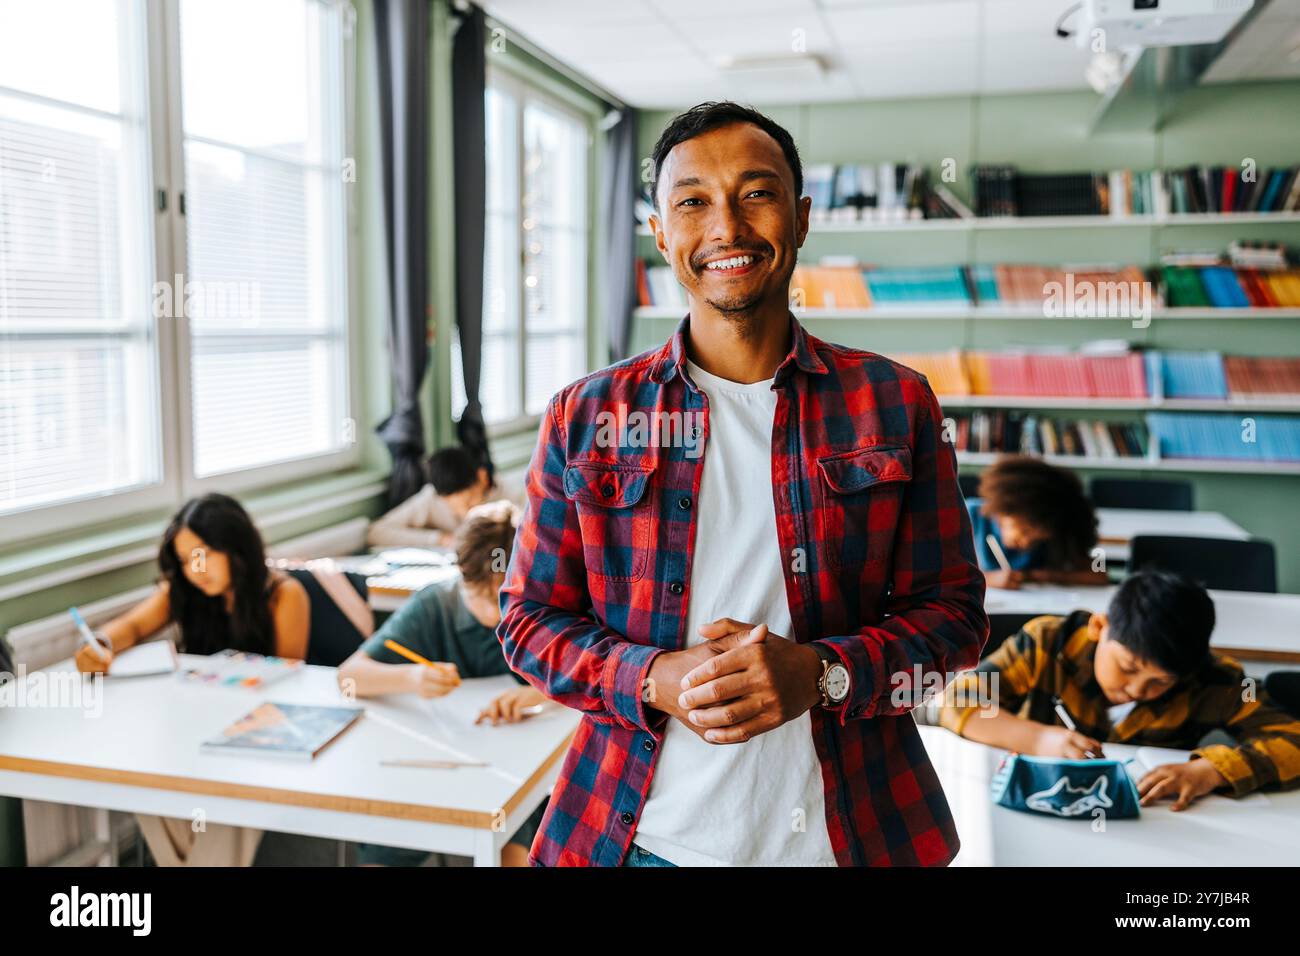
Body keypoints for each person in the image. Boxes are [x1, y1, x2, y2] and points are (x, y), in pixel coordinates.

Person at [497, 102, 988, 867]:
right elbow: (528, 622)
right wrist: (654, 676)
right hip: (638, 841)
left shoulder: (894, 402)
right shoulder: (587, 415)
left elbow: (954, 620)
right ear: (662, 233)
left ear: (800, 217)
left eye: (756, 193)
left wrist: (822, 675)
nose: (726, 226)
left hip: (849, 839)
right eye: (693, 201)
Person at [75, 493, 310, 866]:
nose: (195, 570)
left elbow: (288, 679)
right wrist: (101, 644)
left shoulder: (284, 596)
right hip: (191, 731)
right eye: (185, 561)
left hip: (252, 740)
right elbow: (134, 626)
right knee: (148, 783)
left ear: (236, 548)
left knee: (225, 803)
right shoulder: (184, 592)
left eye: (203, 555)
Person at [939, 570, 1300, 808]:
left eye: (1161, 682)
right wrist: (1039, 740)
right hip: (1037, 802)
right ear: (1100, 626)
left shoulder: (1213, 680)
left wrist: (1211, 770)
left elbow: (1293, 741)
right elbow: (959, 699)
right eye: (1127, 668)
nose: (1138, 690)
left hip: (1154, 825)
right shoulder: (1048, 641)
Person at [339, 501, 547, 866]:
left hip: (517, 772)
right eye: (478, 594)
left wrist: (540, 695)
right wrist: (411, 677)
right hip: (434, 766)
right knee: (391, 839)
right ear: (461, 576)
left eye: (502, 595)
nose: (491, 610)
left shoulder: (539, 610)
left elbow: (592, 683)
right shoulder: (437, 604)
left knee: (518, 836)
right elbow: (348, 677)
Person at [966, 454, 1109, 589]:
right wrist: (987, 579)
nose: (1026, 543)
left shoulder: (1056, 527)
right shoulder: (969, 516)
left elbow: (1100, 575)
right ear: (1007, 508)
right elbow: (944, 577)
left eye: (1037, 540)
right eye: (1025, 531)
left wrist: (1039, 576)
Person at [366, 446, 520, 549]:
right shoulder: (432, 498)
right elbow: (376, 532)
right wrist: (439, 539)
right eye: (454, 508)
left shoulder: (511, 498)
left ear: (483, 477)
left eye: (469, 503)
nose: (466, 515)